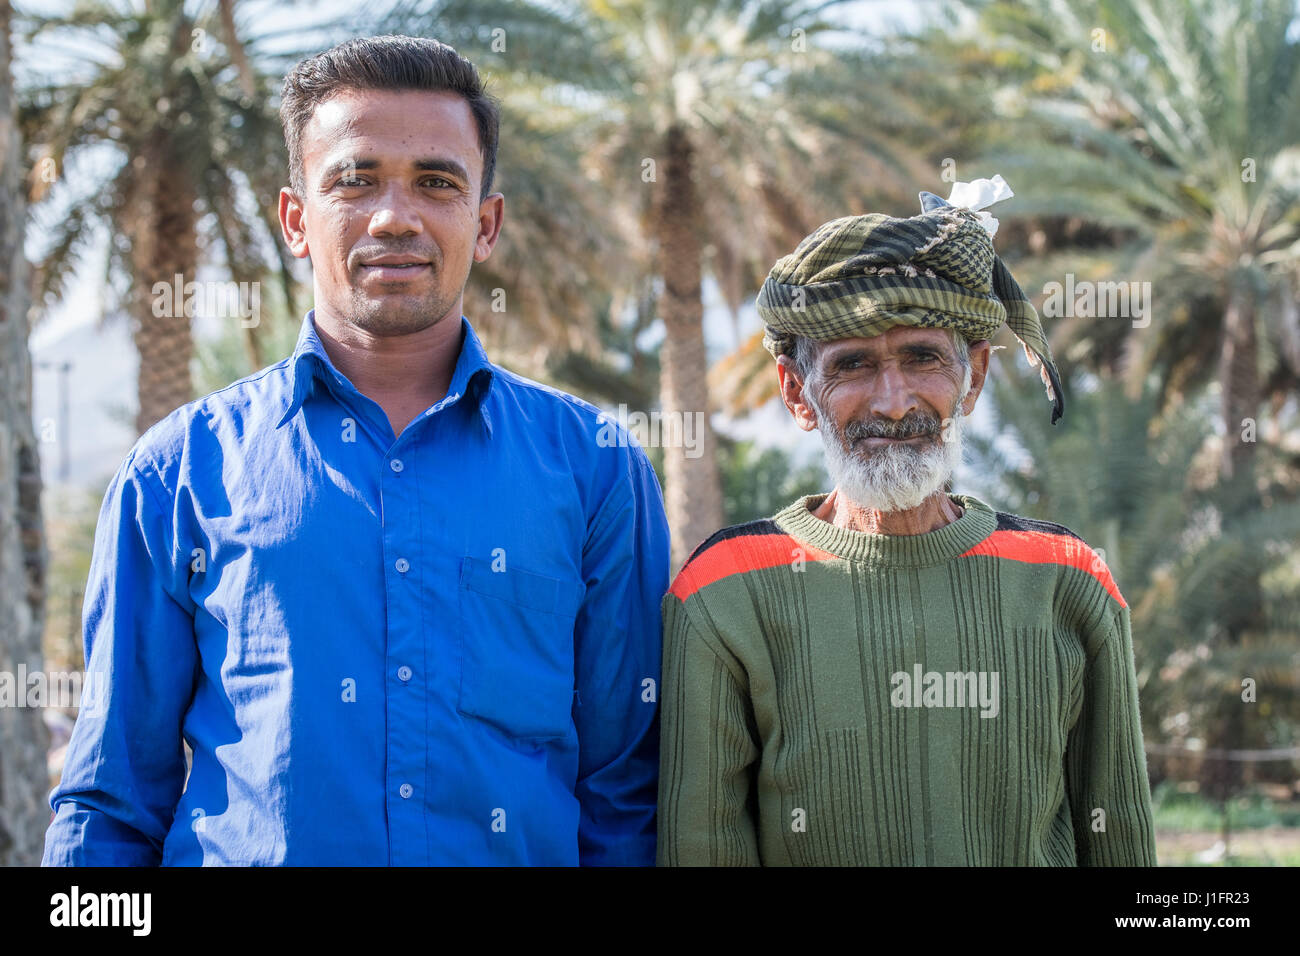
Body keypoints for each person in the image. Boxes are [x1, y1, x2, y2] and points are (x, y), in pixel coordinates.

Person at [42, 35, 669, 866]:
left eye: (436, 183)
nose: (394, 217)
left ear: (485, 224)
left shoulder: (595, 469)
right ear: (297, 220)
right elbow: (109, 803)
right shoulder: (176, 475)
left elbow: (628, 794)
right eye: (355, 179)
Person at [657, 179, 1158, 866]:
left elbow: (1122, 843)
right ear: (797, 394)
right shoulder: (726, 592)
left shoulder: (1067, 581)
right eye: (852, 365)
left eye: (922, 357)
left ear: (974, 376)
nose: (893, 403)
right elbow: (700, 849)